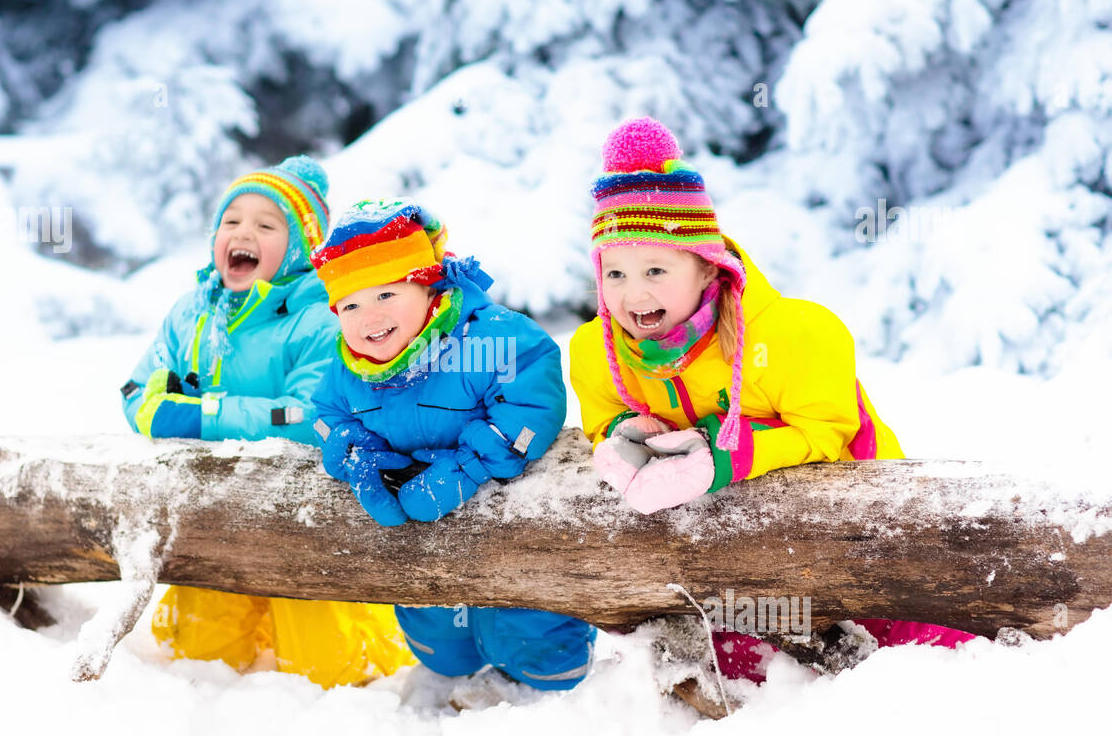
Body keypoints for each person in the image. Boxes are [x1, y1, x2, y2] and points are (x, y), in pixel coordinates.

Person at [569, 117, 974, 684]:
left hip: (850, 508)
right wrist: (625, 433)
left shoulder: (789, 335)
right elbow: (600, 413)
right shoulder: (597, 349)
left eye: (656, 269)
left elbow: (826, 433)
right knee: (739, 655)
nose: (633, 293)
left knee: (906, 626)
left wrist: (721, 456)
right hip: (736, 535)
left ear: (707, 264)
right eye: (615, 272)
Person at [120, 157, 414, 688]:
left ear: (300, 246)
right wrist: (151, 408)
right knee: (194, 661)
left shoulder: (323, 316)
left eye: (265, 224)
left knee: (333, 672)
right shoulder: (192, 312)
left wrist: (201, 416)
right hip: (209, 515)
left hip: (304, 520)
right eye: (231, 221)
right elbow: (139, 389)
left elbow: (304, 416)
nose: (243, 233)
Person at [309, 198, 595, 691]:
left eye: (385, 295)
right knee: (442, 644)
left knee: (531, 638)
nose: (367, 317)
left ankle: (547, 694)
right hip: (422, 538)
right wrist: (361, 456)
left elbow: (532, 402)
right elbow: (324, 417)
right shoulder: (348, 367)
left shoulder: (491, 338)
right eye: (350, 305)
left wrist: (468, 467)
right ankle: (450, 666)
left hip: (510, 519)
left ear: (427, 285)